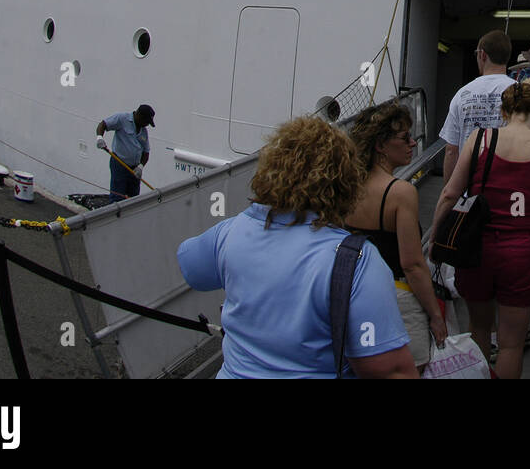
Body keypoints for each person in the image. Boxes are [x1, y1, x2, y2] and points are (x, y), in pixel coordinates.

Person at [178, 116, 416, 378]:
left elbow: (190, 267)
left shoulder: (232, 232)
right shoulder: (357, 260)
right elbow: (389, 370)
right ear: (345, 182)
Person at [431, 82, 530, 379]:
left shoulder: (480, 139)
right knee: (511, 345)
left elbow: (450, 193)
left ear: (503, 111)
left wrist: (436, 237)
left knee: (479, 330)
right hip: (521, 252)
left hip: (478, 249)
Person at [344, 100, 446, 372]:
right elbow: (412, 264)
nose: (412, 143)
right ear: (380, 145)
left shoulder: (347, 188)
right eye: (404, 138)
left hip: (353, 297)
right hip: (396, 299)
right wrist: (435, 315)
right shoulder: (400, 193)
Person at [440, 29, 530, 183]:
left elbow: (452, 151)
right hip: (510, 189)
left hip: (469, 190)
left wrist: (449, 191)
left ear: (482, 55)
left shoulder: (461, 95)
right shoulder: (523, 93)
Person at [96, 104, 154, 202]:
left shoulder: (143, 131)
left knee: (133, 199)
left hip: (134, 170)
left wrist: (141, 166)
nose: (147, 125)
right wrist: (99, 137)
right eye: (146, 122)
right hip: (119, 164)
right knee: (118, 197)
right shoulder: (122, 118)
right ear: (139, 116)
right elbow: (103, 124)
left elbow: (146, 152)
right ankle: (116, 216)